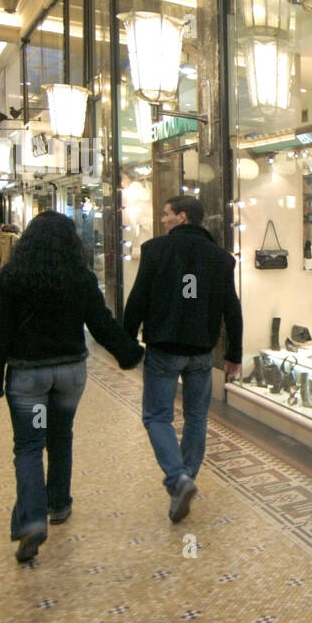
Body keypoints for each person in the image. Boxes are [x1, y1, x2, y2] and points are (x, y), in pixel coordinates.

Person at [0, 211, 144, 563]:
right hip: (69, 375)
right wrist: (130, 354)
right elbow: (102, 324)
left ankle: (33, 518)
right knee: (61, 437)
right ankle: (59, 504)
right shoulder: (80, 278)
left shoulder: (12, 278)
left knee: (29, 446)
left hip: (28, 379)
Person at [124, 194, 242, 522]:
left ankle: (178, 478)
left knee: (158, 417)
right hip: (201, 351)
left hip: (164, 348)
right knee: (195, 417)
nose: (163, 220)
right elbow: (232, 307)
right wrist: (234, 353)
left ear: (183, 217)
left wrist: (125, 344)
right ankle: (186, 475)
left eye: (166, 215)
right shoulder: (221, 258)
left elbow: (137, 299)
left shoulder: (155, 251)